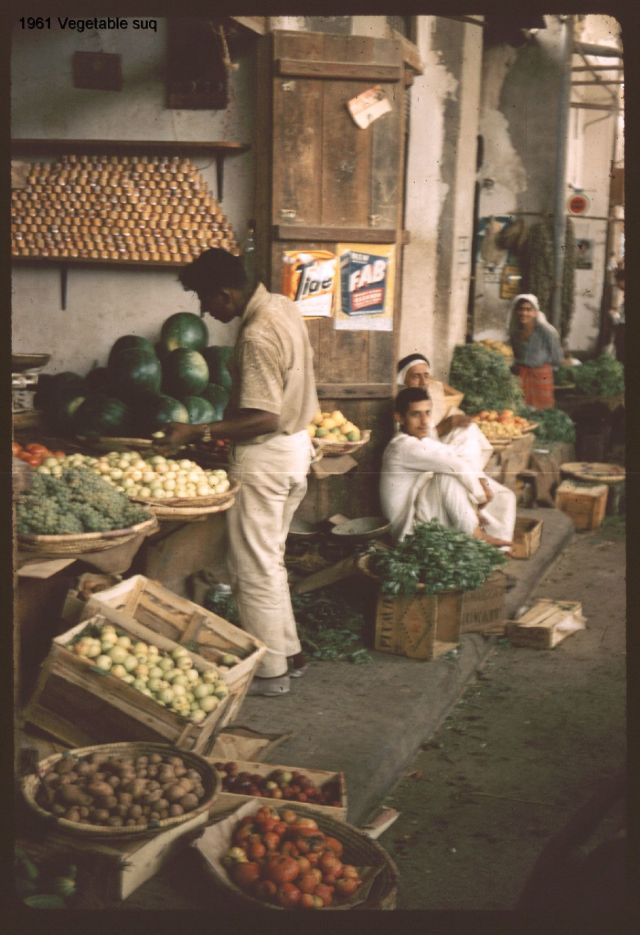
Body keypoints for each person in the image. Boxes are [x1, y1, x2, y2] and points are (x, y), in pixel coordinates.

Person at [161, 248, 319, 697]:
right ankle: (290, 654)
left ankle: (271, 674)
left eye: (205, 300)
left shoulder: (256, 333)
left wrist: (198, 430)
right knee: (269, 563)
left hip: (268, 455)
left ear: (225, 294)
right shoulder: (282, 307)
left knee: (252, 569)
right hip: (296, 451)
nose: (204, 310)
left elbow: (265, 417)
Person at [380, 386, 516, 548]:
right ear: (400, 418)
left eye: (427, 413)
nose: (424, 421)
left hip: (423, 513)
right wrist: (481, 496)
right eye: (415, 414)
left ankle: (495, 544)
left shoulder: (418, 439)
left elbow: (449, 454)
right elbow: (455, 464)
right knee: (448, 476)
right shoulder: (402, 446)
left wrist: (482, 485)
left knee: (506, 495)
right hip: (408, 532)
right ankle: (477, 536)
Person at [508, 293, 563, 409]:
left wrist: (546, 372)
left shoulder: (546, 331)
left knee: (543, 410)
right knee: (522, 408)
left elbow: (557, 356)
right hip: (521, 375)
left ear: (535, 312)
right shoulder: (515, 332)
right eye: (521, 309)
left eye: (529, 309)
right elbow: (514, 354)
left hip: (542, 375)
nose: (524, 313)